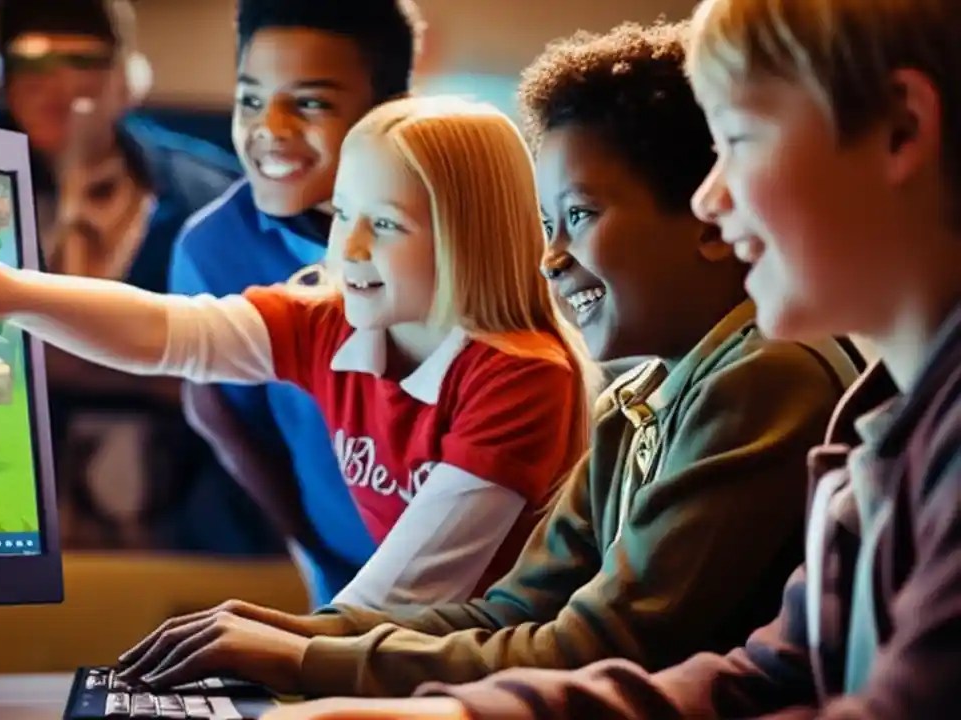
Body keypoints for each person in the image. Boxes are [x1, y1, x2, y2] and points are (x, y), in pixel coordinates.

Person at [114, 20, 866, 698]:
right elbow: (512, 609)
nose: (551, 258)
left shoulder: (763, 377)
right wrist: (292, 633)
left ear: (709, 215)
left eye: (579, 215)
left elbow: (601, 644)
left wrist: (306, 660)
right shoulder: (637, 396)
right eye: (546, 223)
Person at [278, 0, 961, 716]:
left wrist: (314, 660)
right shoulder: (875, 421)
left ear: (902, 129)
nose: (713, 199)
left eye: (739, 140)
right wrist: (431, 704)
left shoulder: (788, 378)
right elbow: (764, 677)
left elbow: (615, 642)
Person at [0, 93, 593, 623]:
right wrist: (11, 294)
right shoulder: (333, 323)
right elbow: (167, 332)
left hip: (502, 680)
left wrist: (269, 645)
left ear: (468, 237)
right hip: (408, 657)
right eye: (342, 215)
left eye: (384, 224)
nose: (347, 250)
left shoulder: (521, 378)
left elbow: (411, 595)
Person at [0, 0, 279, 553]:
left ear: (126, 78)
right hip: (8, 532)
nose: (58, 84)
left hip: (182, 533)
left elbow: (261, 375)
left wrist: (79, 362)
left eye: (84, 60)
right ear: (3, 80)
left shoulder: (211, 199)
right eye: (31, 61)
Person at [168, 0, 427, 608]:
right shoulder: (215, 250)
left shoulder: (454, 224)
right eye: (251, 100)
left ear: (389, 110)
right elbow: (221, 416)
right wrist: (320, 554)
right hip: (350, 581)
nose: (271, 128)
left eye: (309, 103)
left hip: (502, 584)